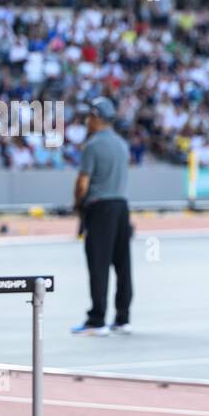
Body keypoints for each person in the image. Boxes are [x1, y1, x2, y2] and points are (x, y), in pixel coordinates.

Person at [71, 97, 133, 336]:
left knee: (98, 264)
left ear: (97, 118)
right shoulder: (121, 144)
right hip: (121, 206)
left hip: (99, 207)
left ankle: (97, 319)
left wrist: (77, 204)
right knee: (122, 264)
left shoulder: (93, 145)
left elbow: (83, 181)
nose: (87, 121)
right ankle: (123, 317)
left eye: (89, 117)